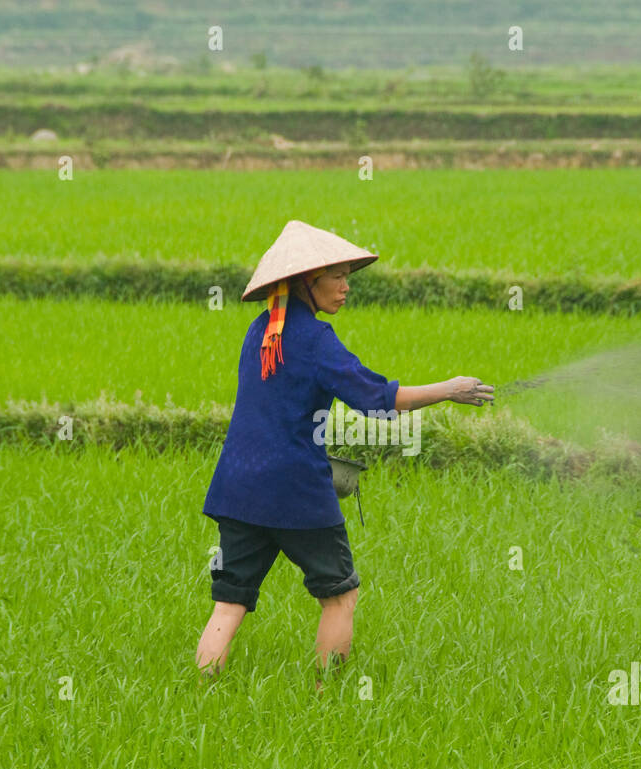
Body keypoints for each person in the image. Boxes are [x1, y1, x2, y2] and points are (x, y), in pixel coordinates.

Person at [197, 220, 495, 691]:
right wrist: (449, 389)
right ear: (305, 283)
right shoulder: (316, 340)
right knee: (341, 595)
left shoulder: (260, 332)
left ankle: (202, 695)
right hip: (294, 493)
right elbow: (376, 398)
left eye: (346, 274)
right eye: (336, 276)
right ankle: (325, 696)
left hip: (237, 487)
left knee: (230, 600)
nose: (346, 286)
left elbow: (276, 411)